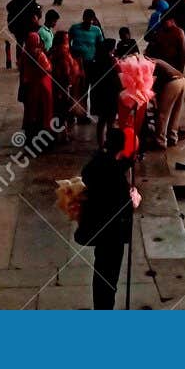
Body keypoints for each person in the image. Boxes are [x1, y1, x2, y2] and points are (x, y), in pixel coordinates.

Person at [78, 128, 136, 309]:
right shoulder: (115, 178)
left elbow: (111, 167)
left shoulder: (96, 164)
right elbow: (125, 207)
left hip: (99, 228)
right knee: (109, 279)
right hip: (112, 234)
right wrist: (134, 198)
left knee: (101, 272)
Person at [17, 28, 53, 146]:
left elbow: (21, 69)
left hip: (28, 87)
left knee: (30, 113)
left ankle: (30, 138)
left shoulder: (24, 54)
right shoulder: (39, 55)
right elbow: (47, 69)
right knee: (42, 113)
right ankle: (42, 140)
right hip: (41, 88)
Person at [149, 54, 185, 148]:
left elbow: (149, 86)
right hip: (181, 79)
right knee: (175, 112)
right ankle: (173, 137)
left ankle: (160, 141)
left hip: (172, 82)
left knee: (162, 114)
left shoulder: (145, 65)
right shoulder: (154, 60)